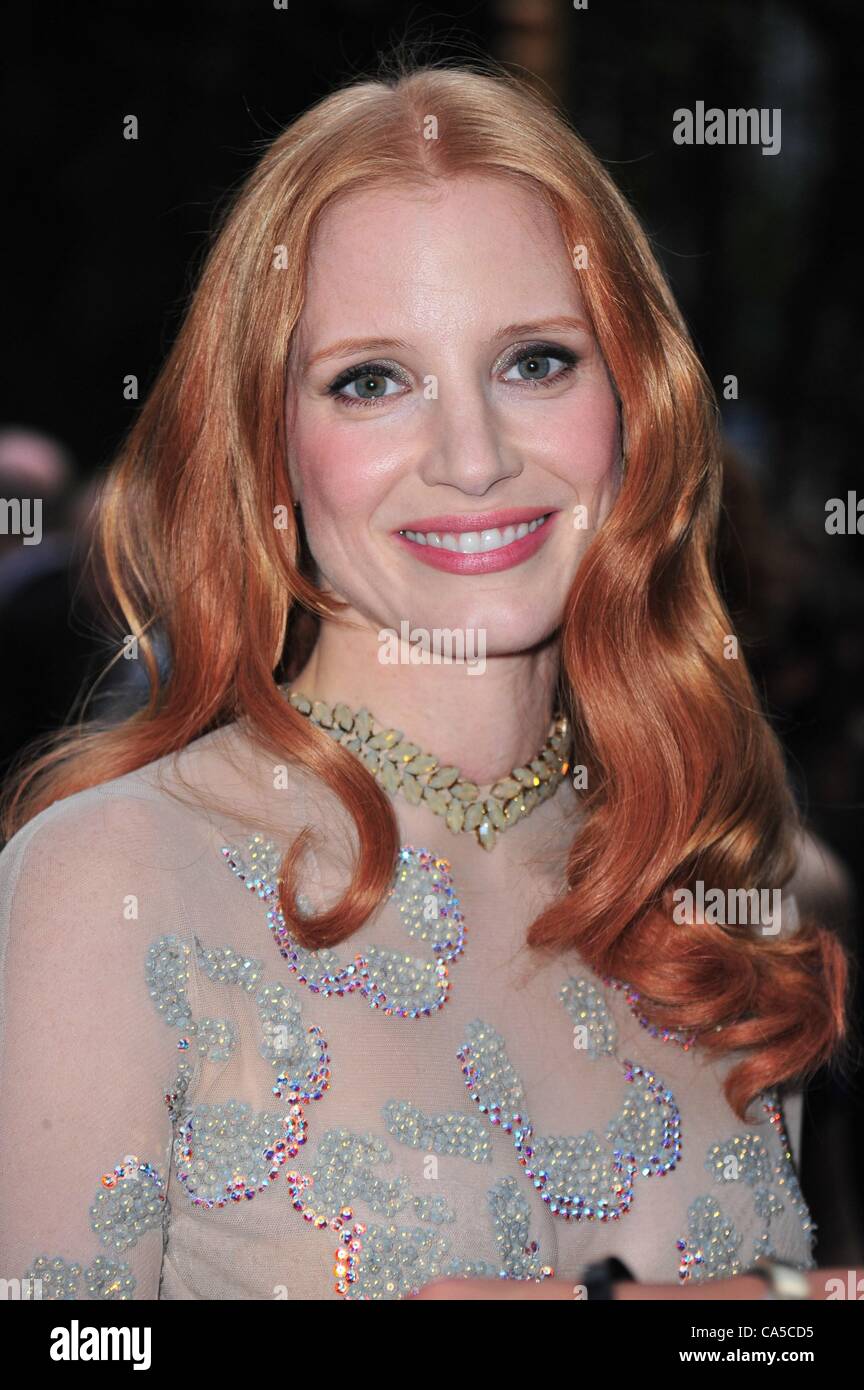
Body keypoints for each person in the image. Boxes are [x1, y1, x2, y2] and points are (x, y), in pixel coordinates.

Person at [0, 57, 852, 1303]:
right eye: (371, 381)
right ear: (268, 445)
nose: (471, 456)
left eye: (537, 362)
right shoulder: (111, 878)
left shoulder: (708, 882)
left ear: (637, 403)